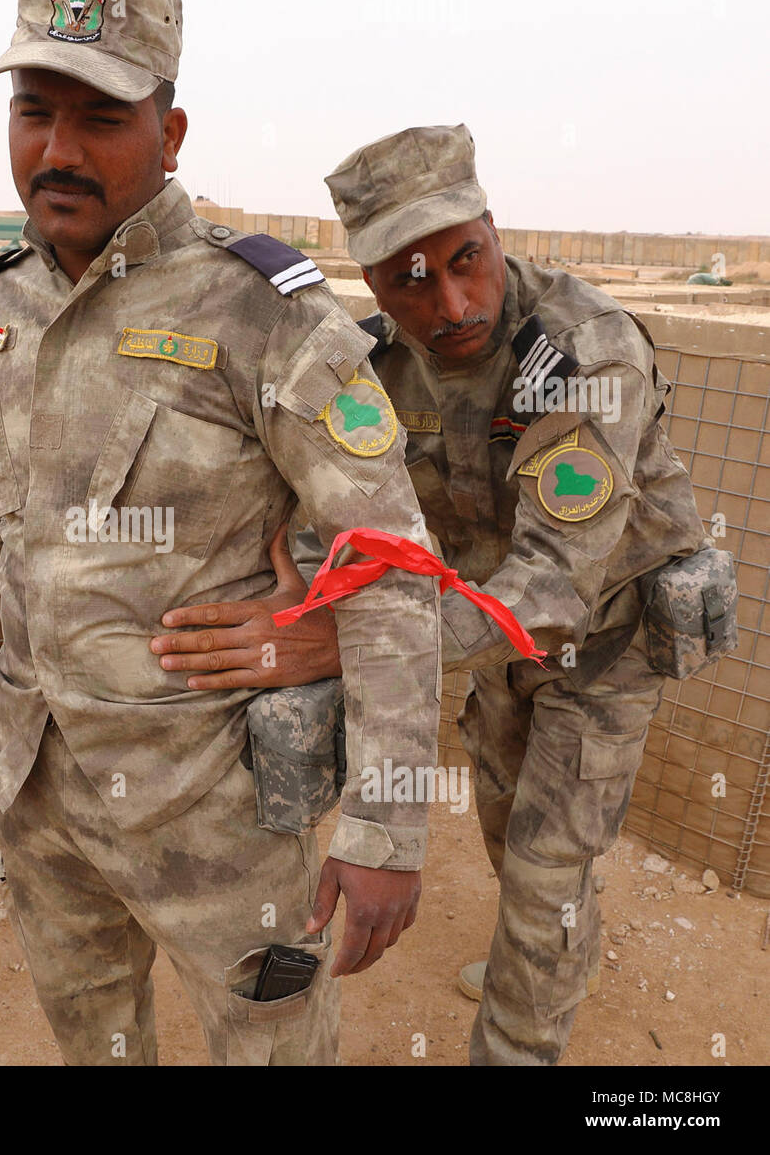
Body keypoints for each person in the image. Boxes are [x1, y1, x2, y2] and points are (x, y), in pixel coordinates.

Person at [0, 0, 442, 1066]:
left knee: (273, 1042)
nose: (57, 150)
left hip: (212, 803)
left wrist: (386, 824)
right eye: (34, 112)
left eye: (102, 119)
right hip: (36, 784)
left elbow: (394, 568)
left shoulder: (262, 310)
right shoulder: (2, 308)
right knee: (95, 1040)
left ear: (168, 135)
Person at [150, 124, 709, 1065]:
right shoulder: (373, 363)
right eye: (411, 279)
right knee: (505, 833)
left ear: (494, 230)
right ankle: (554, 947)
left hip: (600, 643)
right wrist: (302, 578)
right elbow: (343, 513)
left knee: (542, 874)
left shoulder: (583, 356)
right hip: (487, 643)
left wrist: (350, 644)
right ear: (371, 281)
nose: (451, 303)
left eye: (467, 261)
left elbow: (555, 588)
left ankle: (530, 1004)